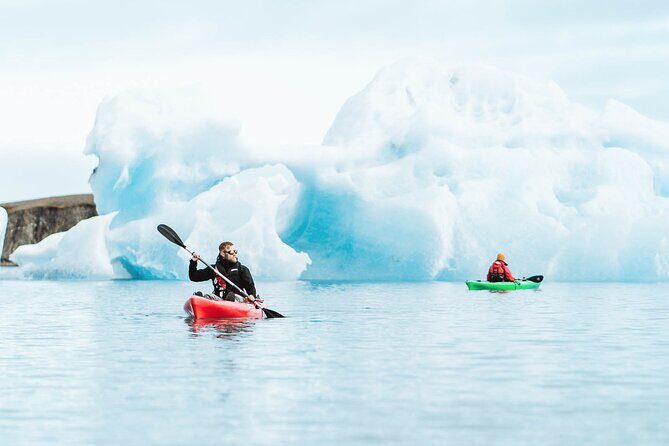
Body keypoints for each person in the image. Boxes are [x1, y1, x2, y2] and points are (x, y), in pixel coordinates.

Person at [189, 241, 257, 302]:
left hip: (238, 300)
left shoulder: (242, 269)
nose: (234, 254)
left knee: (233, 297)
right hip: (219, 299)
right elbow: (194, 277)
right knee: (208, 296)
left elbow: (250, 287)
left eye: (235, 251)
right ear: (223, 254)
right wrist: (193, 262)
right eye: (231, 252)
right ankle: (201, 299)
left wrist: (252, 296)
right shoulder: (214, 269)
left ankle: (230, 300)